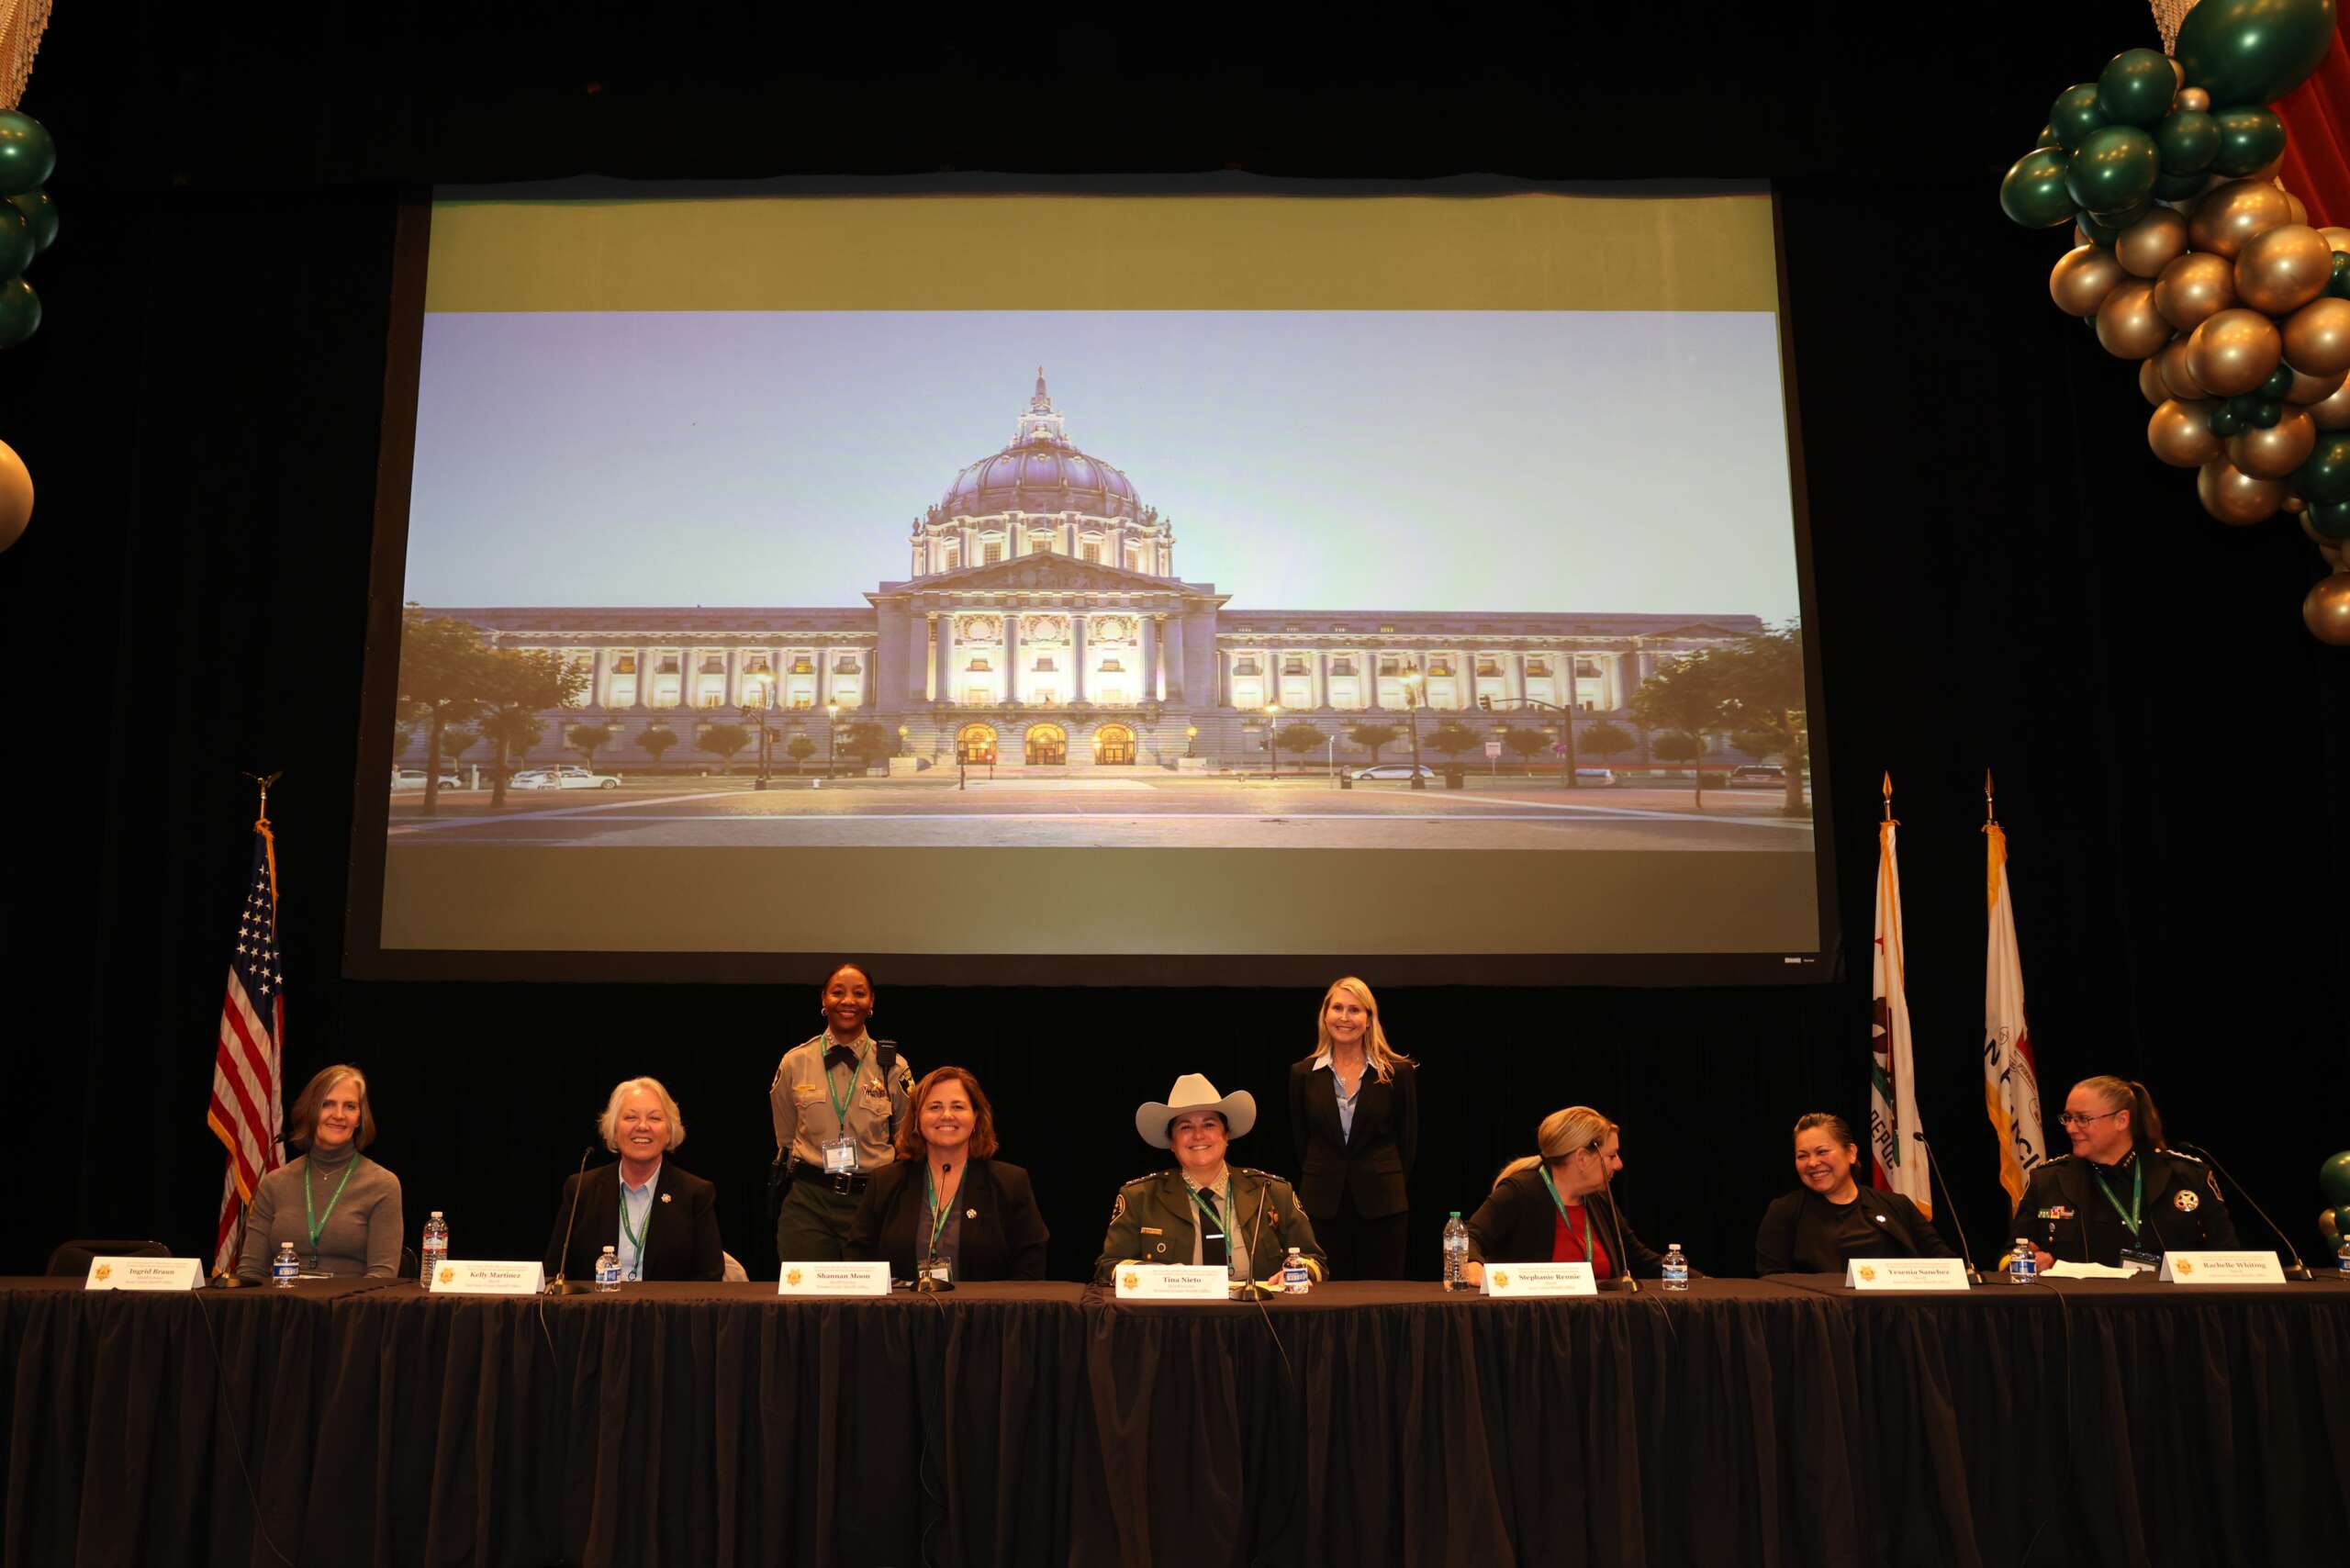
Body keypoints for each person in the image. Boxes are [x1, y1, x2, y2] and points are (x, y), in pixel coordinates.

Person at [1094, 1073, 1327, 1285]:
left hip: (1258, 1314)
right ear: (1172, 1143)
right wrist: (1159, 1276)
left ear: (1227, 1136)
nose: (1198, 1135)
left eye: (1209, 1124)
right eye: (1185, 1127)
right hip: (1176, 1316)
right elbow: (1108, 1267)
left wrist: (1295, 1274)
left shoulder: (1272, 1191)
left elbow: (1314, 1261)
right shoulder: (1140, 1198)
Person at [845, 1066, 1049, 1282]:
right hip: (902, 1304)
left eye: (958, 1106)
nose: (947, 1115)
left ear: (975, 1117)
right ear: (917, 1118)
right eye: (935, 1107)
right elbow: (857, 1259)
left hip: (986, 1306)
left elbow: (1031, 1264)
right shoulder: (885, 1183)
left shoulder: (1011, 1183)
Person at [2009, 1075, 2236, 1271]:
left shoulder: (2187, 1176)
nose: (2070, 1128)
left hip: (2171, 1307)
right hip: (2082, 1308)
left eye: (2082, 1119)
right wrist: (2031, 1261)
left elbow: (2227, 1259)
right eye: (2068, 1118)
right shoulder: (2047, 1181)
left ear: (2121, 1120)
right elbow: (2011, 1253)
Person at [770, 962, 916, 1262]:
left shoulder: (893, 1066)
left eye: (859, 993)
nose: (848, 1001)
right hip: (809, 1200)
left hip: (872, 1200)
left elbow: (906, 1138)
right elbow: (785, 1135)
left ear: (871, 1002)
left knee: (873, 1291)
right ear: (824, 999)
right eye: (838, 992)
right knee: (805, 1289)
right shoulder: (795, 1062)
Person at [1287, 977, 1417, 1280]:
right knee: (1326, 1295)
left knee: (1382, 1295)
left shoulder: (1397, 1073)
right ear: (1325, 1015)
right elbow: (1300, 1141)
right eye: (1337, 1008)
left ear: (1369, 1020)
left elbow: (1408, 1142)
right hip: (1321, 1205)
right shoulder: (1302, 1073)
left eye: (1355, 1010)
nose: (1344, 1017)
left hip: (1383, 1206)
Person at [1461, 1105, 1674, 1285]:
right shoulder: (1520, 1192)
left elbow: (1639, 1259)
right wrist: (1473, 1264)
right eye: (1611, 1155)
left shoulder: (1600, 1200)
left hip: (1599, 1319)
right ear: (1582, 1158)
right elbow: (1469, 1237)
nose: (1619, 1164)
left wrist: (1689, 1275)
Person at [544, 1076, 723, 1282]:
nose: (642, 1126)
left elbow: (709, 1279)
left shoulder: (695, 1194)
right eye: (631, 1117)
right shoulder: (580, 1189)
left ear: (669, 1131)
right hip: (595, 1304)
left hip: (667, 1305)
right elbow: (554, 1273)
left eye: (654, 1118)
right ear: (613, 1130)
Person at [236, 1064, 403, 1281]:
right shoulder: (274, 1183)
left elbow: (383, 1275)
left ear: (360, 1118)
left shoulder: (382, 1184)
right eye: (327, 1104)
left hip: (352, 1301)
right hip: (282, 1300)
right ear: (310, 1111)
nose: (339, 1115)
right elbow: (250, 1272)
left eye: (350, 1106)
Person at [1754, 1112, 1953, 1274]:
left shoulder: (1897, 1205)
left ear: (1851, 1153)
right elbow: (1772, 1284)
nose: (1812, 1163)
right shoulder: (1785, 1212)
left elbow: (1947, 1265)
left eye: (1822, 1152)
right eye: (1802, 1156)